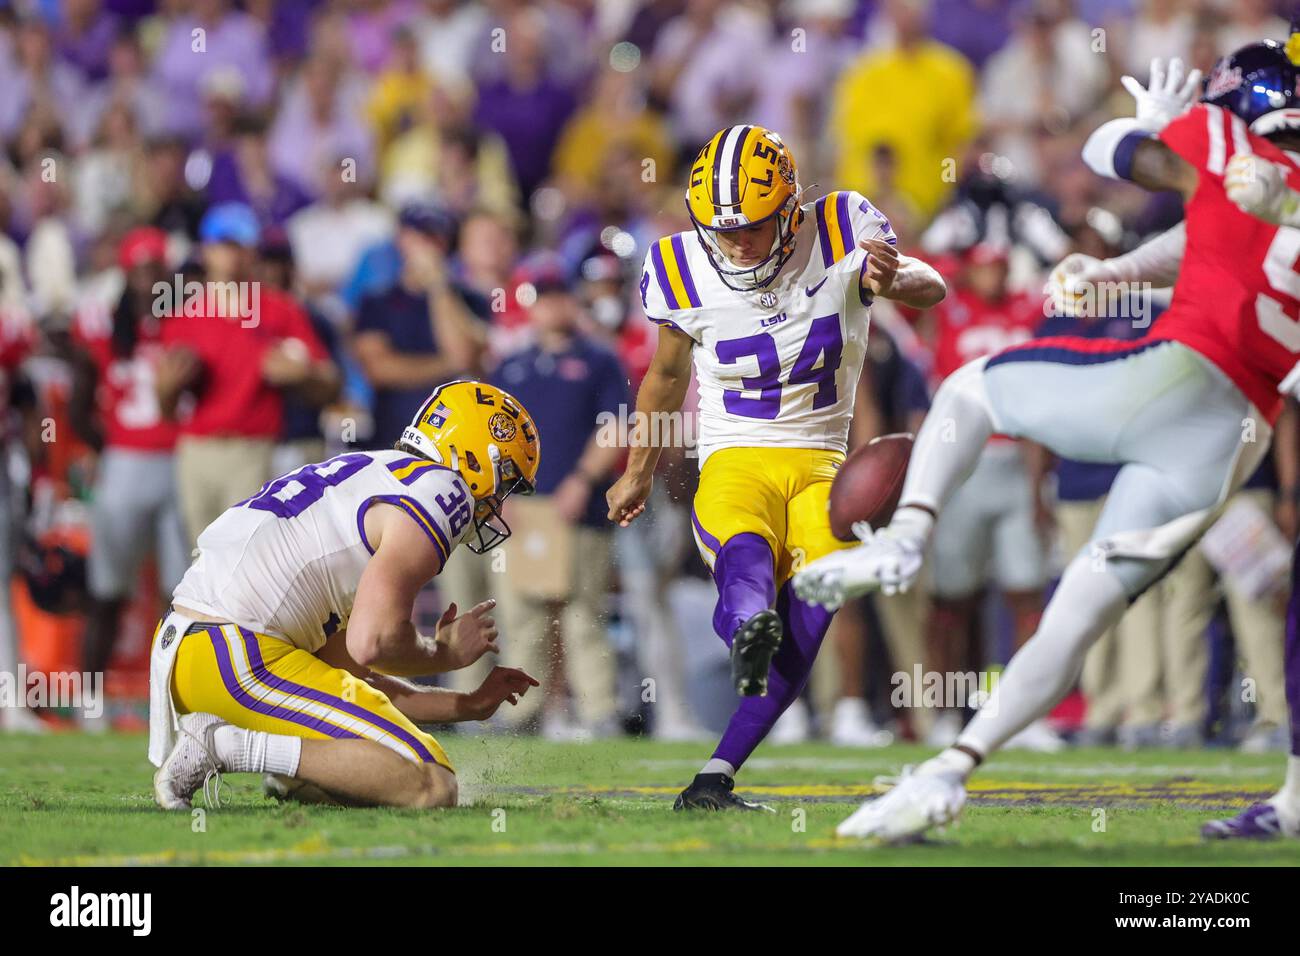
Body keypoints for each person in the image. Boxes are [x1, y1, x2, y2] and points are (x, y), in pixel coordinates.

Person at [794, 49, 1300, 841]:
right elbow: (1225, 242)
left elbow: (1109, 155)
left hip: (1181, 375)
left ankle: (904, 537)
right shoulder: (1273, 187)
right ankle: (947, 772)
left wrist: (1155, 122)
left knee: (970, 387)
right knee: (1077, 614)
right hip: (1231, 436)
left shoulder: (1236, 145)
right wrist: (1117, 275)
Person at [605, 124, 945, 810]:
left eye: (752, 227)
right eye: (722, 229)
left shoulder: (845, 224)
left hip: (824, 464)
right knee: (746, 552)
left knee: (812, 610)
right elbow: (665, 378)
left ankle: (714, 776)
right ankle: (744, 629)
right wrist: (639, 468)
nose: (735, 242)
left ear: (790, 209)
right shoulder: (680, 265)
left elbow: (930, 287)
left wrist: (893, 275)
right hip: (735, 456)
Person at [149, 381, 541, 810]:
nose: (497, 506)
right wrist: (441, 653)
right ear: (473, 455)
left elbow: (355, 676)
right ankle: (228, 747)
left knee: (361, 786)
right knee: (432, 787)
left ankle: (294, 773)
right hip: (237, 652)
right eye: (503, 481)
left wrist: (466, 704)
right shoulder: (443, 492)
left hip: (196, 653)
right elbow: (371, 644)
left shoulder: (372, 475)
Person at [69, 228, 190, 703]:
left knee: (180, 596)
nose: (146, 280)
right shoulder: (101, 323)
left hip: (180, 462)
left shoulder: (185, 318)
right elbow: (79, 402)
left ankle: (175, 702)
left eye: (153, 270)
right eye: (138, 270)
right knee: (107, 588)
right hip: (126, 464)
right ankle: (89, 702)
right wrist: (109, 447)